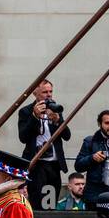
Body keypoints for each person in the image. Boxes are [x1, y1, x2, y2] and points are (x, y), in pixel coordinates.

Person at [17, 79, 71, 210]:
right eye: (45, 92)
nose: (49, 95)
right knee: (38, 202)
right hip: (37, 164)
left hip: (53, 164)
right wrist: (35, 117)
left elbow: (67, 136)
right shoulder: (25, 111)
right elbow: (23, 137)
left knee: (51, 204)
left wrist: (58, 121)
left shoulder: (56, 109)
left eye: (51, 91)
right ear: (35, 93)